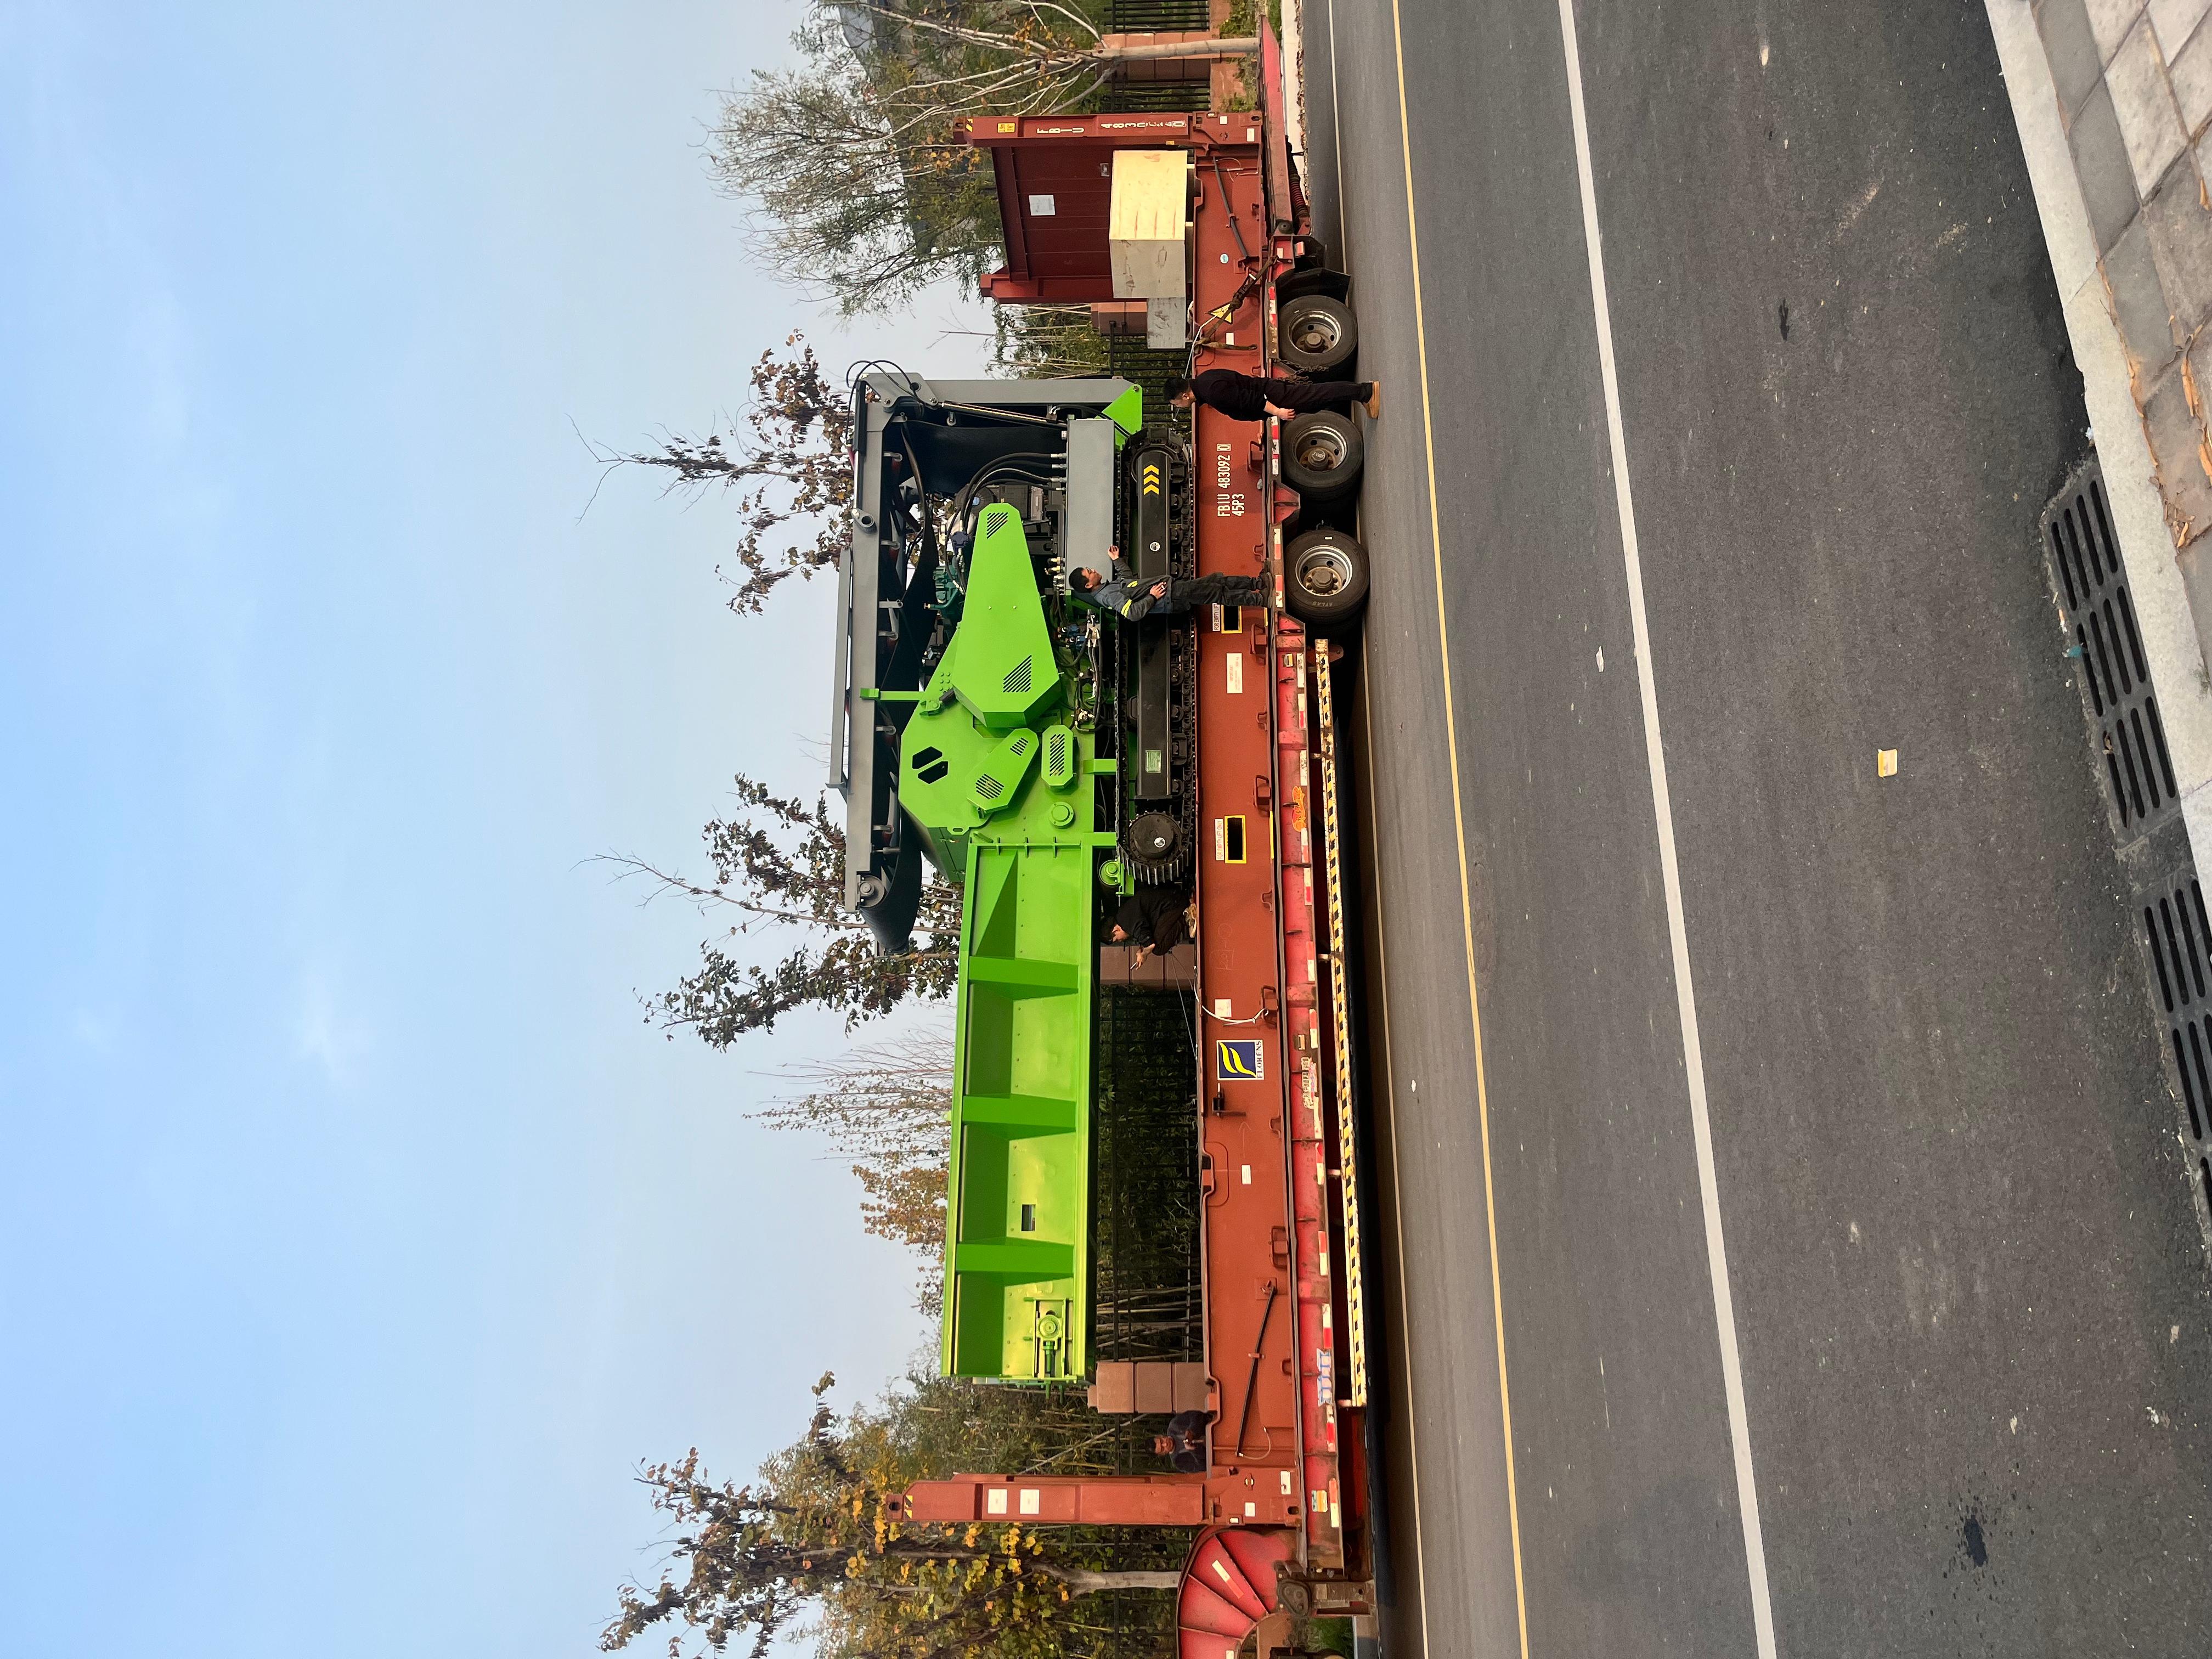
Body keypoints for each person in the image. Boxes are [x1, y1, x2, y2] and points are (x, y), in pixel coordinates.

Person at [1070, 548, 1269, 622]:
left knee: (1217, 582)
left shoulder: (1107, 589)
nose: (1093, 570)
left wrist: (1117, 560)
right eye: (1089, 572)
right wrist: (1152, 596)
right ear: (1088, 585)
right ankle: (1259, 599)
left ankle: (1257, 583)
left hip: (1172, 590)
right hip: (1170, 595)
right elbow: (1133, 613)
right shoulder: (1108, 596)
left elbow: (1127, 581)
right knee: (1216, 593)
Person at [1167, 369, 1381, 422]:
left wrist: (1278, 412)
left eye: (1176, 404)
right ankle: (1362, 393)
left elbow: (1251, 400)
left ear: (1184, 396)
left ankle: (1366, 392)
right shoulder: (1205, 379)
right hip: (1270, 392)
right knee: (1315, 400)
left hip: (1273, 398)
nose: (1179, 407)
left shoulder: (1212, 392)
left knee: (1317, 395)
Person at [1107, 883, 1192, 960]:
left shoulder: (1128, 925)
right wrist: (1143, 947)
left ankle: (1186, 915)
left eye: (1117, 939)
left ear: (1116, 930)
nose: (1121, 941)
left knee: (1158, 949)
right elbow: (1144, 931)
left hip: (1176, 903)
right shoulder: (1123, 915)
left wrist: (1144, 954)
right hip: (1173, 896)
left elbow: (1151, 945)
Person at [1153, 1409, 1211, 1474]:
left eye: (1162, 1441)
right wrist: (1193, 1450)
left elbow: (1196, 1414)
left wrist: (1192, 1431)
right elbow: (1204, 1467)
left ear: (1162, 1436)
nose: (1165, 1444)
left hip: (1212, 1427)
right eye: (1162, 1449)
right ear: (1163, 1454)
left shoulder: (1174, 1425)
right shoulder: (1178, 1462)